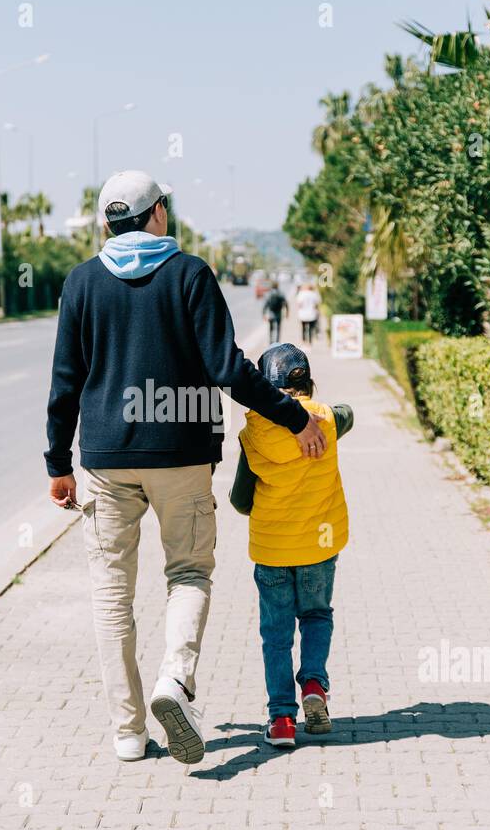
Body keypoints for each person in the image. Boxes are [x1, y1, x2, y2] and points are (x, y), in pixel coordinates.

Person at [45, 170, 328, 765]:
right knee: (189, 573)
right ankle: (175, 681)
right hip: (181, 455)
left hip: (104, 460)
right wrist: (293, 416)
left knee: (110, 595)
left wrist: (57, 462)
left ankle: (127, 732)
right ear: (158, 215)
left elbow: (64, 383)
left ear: (105, 224)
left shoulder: (82, 282)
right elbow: (230, 369)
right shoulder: (191, 274)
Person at [229, 343, 353, 748]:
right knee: (316, 614)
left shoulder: (253, 435)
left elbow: (240, 500)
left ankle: (282, 720)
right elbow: (348, 412)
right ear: (309, 381)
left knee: (276, 634)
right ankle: (314, 682)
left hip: (273, 551)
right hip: (318, 547)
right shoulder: (328, 421)